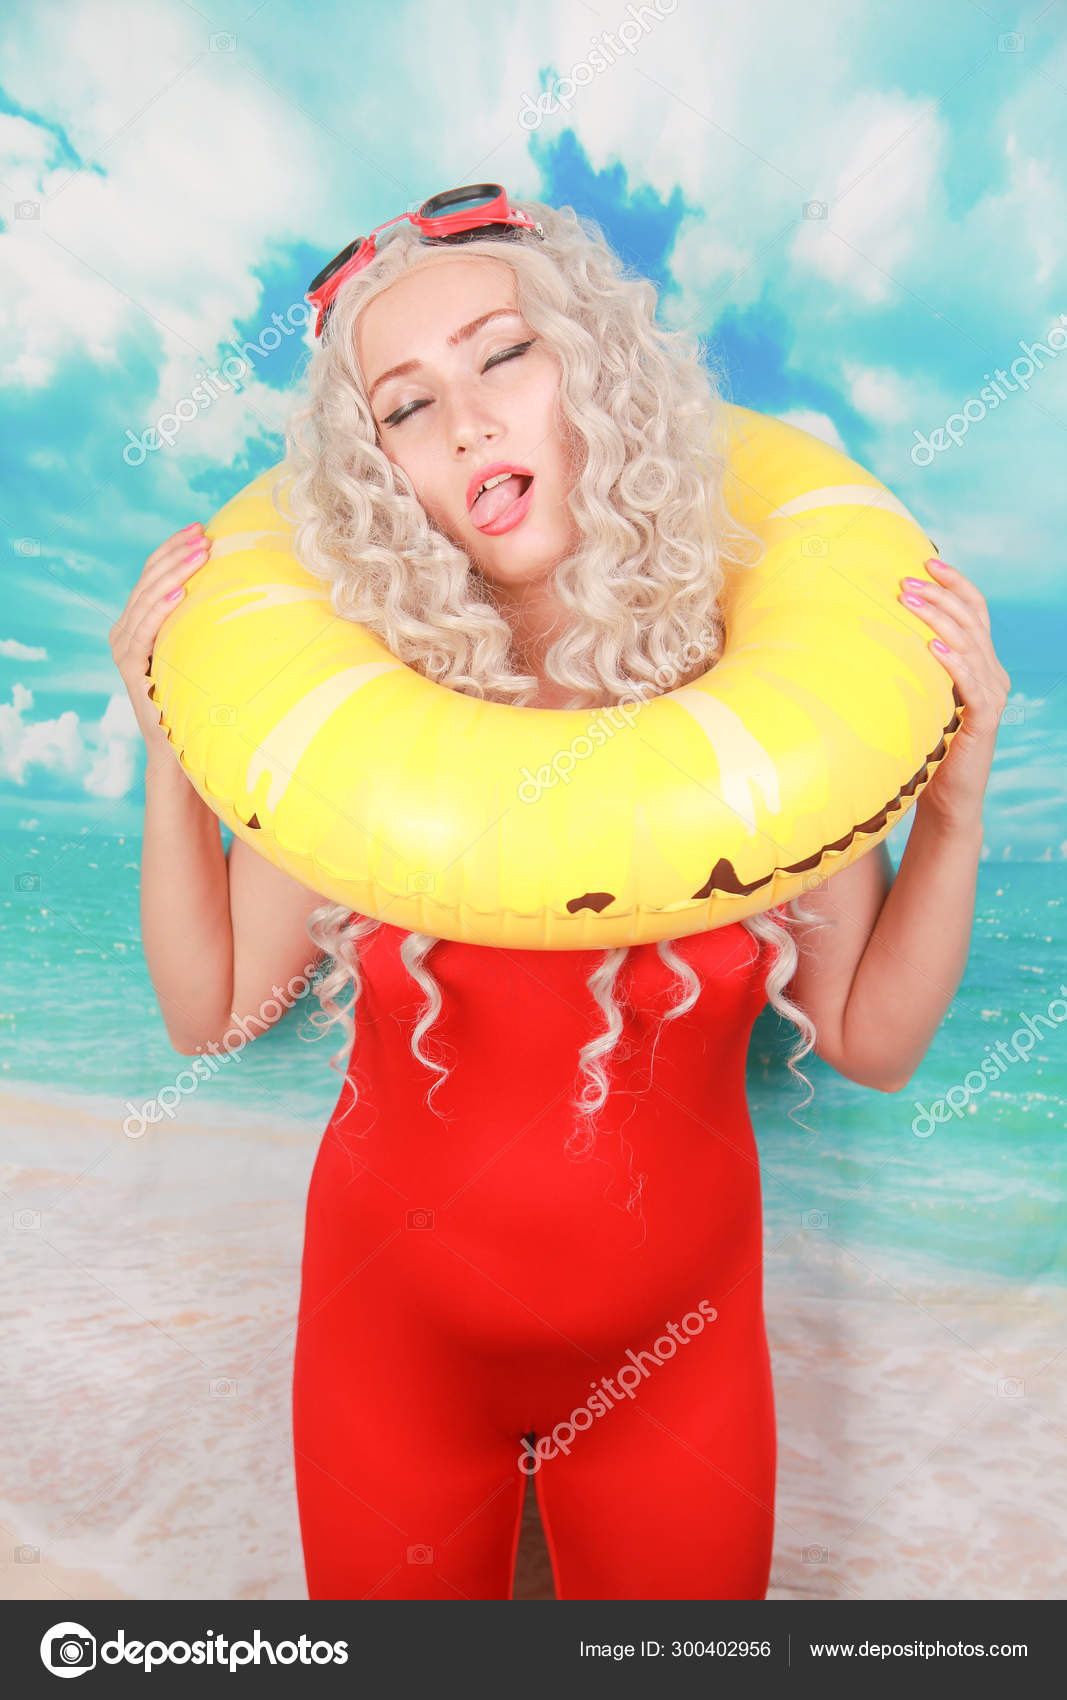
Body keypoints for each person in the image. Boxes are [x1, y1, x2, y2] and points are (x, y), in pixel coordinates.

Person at [112, 191, 1009, 1602]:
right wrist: (178, 749)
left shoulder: (756, 724)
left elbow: (873, 1042)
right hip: (392, 1350)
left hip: (678, 1363)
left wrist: (952, 806)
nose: (467, 424)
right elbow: (211, 1013)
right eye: (409, 407)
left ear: (593, 368)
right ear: (381, 475)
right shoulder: (365, 731)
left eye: (503, 356)